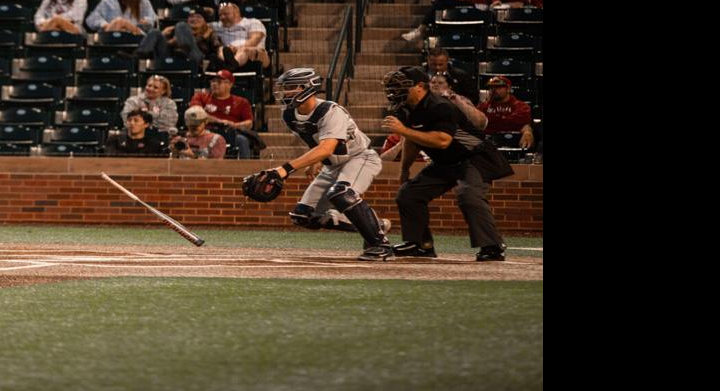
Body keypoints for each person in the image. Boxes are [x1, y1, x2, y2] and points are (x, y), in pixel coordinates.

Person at [242, 67, 393, 260]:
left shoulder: (329, 110)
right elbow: (318, 143)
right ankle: (376, 226)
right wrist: (316, 161)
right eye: (285, 87)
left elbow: (327, 147)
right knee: (304, 216)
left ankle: (380, 246)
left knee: (342, 194)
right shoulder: (289, 115)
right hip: (332, 165)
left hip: (360, 158)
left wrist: (284, 169)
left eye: (291, 87)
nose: (286, 92)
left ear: (308, 87)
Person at [379, 65, 513, 261]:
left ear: (420, 86)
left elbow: (442, 140)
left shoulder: (440, 106)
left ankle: (492, 246)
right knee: (408, 194)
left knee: (468, 196)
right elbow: (411, 140)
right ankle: (421, 245)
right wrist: (404, 170)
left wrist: (403, 130)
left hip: (474, 157)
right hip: (446, 161)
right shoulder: (406, 108)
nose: (394, 92)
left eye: (401, 86)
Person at [85, 0, 160, 56]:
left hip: (135, 34)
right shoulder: (109, 0)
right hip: (114, 33)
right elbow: (91, 19)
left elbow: (152, 18)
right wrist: (104, 24)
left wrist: (146, 21)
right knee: (118, 23)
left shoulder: (141, 0)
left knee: (120, 21)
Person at [188, 71, 255, 159]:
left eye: (219, 82)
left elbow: (249, 123)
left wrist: (234, 125)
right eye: (213, 81)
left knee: (242, 140)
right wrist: (219, 121)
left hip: (230, 133)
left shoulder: (241, 102)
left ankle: (245, 169)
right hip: (205, 132)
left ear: (230, 84)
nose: (215, 84)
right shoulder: (201, 97)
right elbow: (195, 112)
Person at [211, 2, 269, 71]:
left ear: (237, 12)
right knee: (221, 49)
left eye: (226, 14)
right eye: (220, 15)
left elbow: (254, 40)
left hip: (255, 55)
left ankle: (232, 66)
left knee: (244, 50)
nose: (222, 17)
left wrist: (236, 48)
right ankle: (229, 65)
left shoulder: (253, 22)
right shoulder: (216, 26)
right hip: (228, 53)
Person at [477, 75, 533, 146]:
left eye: (498, 87)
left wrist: (492, 120)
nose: (493, 90)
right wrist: (505, 119)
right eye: (491, 88)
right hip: (488, 143)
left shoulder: (522, 106)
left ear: (508, 89)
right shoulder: (483, 107)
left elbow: (521, 123)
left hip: (514, 142)